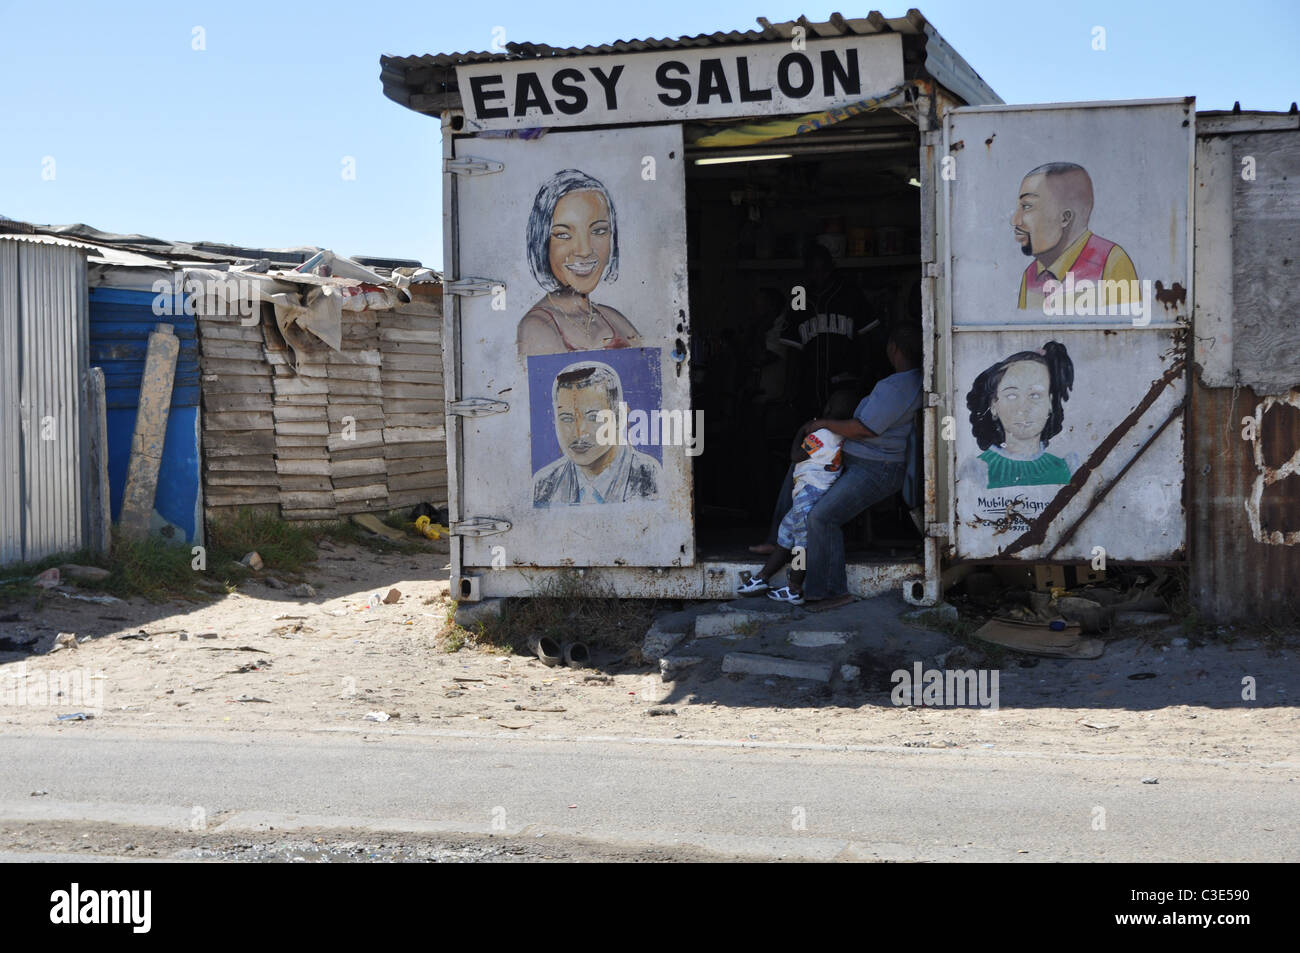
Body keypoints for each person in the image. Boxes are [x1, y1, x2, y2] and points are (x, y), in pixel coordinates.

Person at [751, 323, 925, 609]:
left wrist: (820, 423)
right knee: (800, 465)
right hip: (858, 459)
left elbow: (865, 428)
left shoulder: (897, 386)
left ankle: (832, 592)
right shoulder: (908, 381)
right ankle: (780, 538)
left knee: (821, 517)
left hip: (876, 468)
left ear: (893, 349)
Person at [517, 169, 642, 360]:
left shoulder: (613, 318)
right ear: (542, 243)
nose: (584, 250)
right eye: (564, 235)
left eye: (599, 231)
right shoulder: (538, 326)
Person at [778, 242, 886, 420]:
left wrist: (865, 383)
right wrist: (788, 391)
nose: (819, 276)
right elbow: (793, 350)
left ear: (832, 267)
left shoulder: (851, 294)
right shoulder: (800, 298)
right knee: (811, 440)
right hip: (809, 386)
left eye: (824, 270)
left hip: (846, 384)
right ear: (807, 271)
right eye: (814, 271)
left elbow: (870, 343)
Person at [736, 426, 843, 605]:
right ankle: (763, 577)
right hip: (816, 491)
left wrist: (801, 431)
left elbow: (796, 456)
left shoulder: (821, 435)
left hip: (808, 493)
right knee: (785, 534)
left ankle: (794, 588)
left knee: (801, 544)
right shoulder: (841, 437)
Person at [1012, 162, 1138, 312]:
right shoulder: (1031, 274)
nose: (1015, 220)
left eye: (1027, 206)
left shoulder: (1111, 262)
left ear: (1065, 218)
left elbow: (1123, 330)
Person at [533, 361, 661, 506]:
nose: (579, 432)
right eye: (567, 418)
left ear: (619, 417)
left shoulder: (650, 478)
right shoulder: (544, 484)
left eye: (593, 417)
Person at [961, 342, 1078, 488]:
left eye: (1035, 395)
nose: (1023, 408)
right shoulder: (977, 472)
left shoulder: (1067, 469)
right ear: (993, 406)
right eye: (1011, 396)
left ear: (1050, 403)